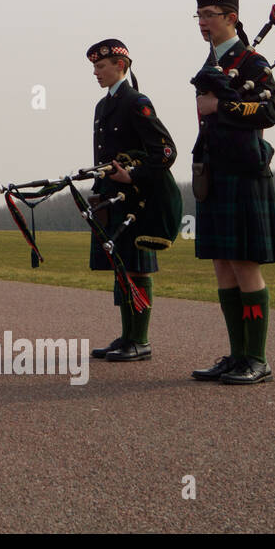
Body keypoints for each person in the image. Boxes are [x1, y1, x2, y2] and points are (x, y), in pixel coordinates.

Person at [189, 0, 275, 385]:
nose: (203, 22)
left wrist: (221, 105)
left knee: (245, 264)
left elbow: (269, 112)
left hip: (244, 173)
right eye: (199, 15)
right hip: (215, 171)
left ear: (231, 17)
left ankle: (257, 359)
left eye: (210, 14)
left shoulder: (253, 63)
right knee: (223, 265)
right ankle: (237, 354)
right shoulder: (213, 63)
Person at [84, 40, 178, 361]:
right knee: (121, 266)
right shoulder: (102, 106)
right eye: (94, 67)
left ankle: (140, 340)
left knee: (137, 269)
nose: (96, 72)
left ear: (120, 66)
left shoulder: (137, 102)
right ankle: (127, 336)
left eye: (101, 66)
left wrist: (134, 174)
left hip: (136, 200)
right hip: (110, 197)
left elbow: (166, 151)